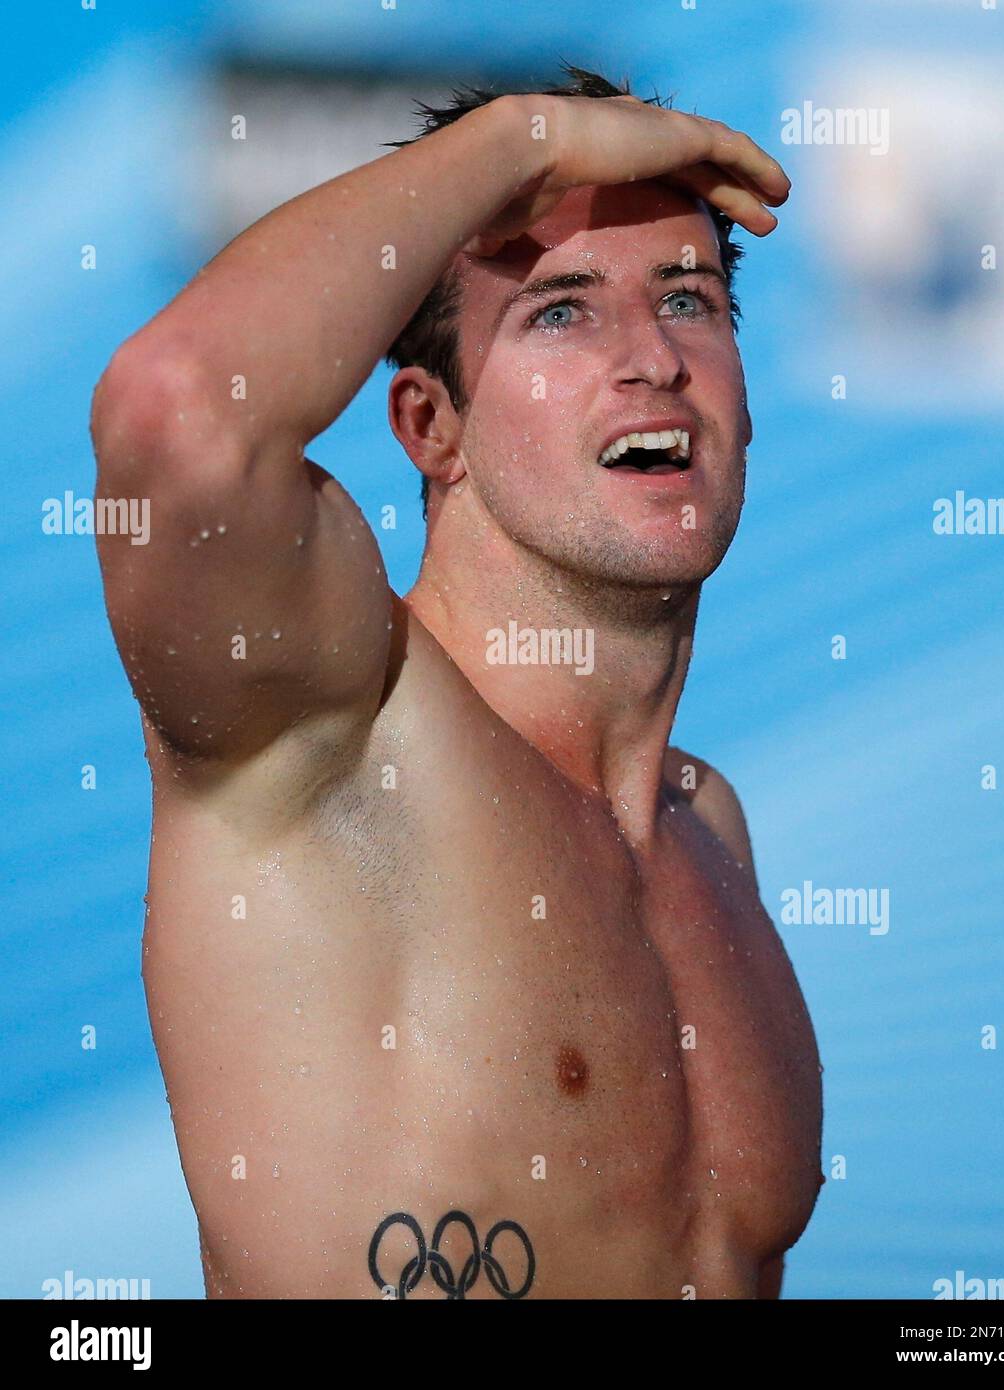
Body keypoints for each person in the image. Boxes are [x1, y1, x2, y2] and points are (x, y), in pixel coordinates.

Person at [91, 63, 824, 1299]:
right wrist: (521, 142)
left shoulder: (711, 833)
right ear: (431, 428)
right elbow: (174, 415)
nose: (652, 357)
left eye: (689, 300)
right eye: (560, 311)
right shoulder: (334, 730)